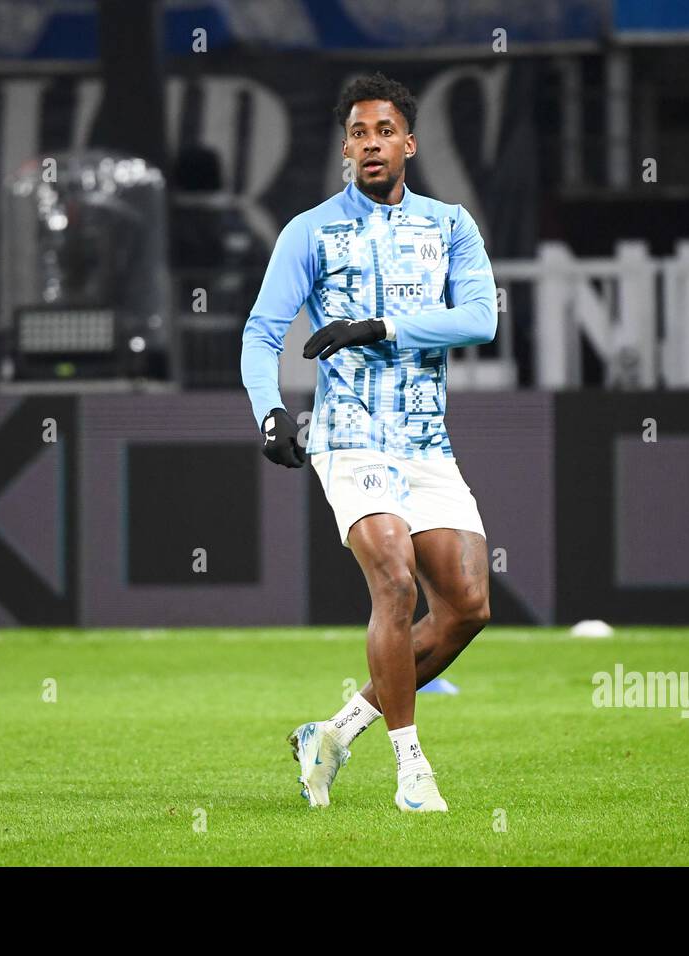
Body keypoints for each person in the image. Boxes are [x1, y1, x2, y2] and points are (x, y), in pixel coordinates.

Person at [240, 73, 497, 813]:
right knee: (394, 581)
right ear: (347, 148)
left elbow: (481, 319)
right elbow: (262, 334)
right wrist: (269, 412)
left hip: (424, 439)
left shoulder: (450, 225)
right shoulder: (311, 230)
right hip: (349, 436)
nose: (370, 144)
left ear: (409, 143)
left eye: (383, 131)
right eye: (357, 133)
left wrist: (381, 326)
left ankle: (334, 731)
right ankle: (412, 771)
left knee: (468, 608)